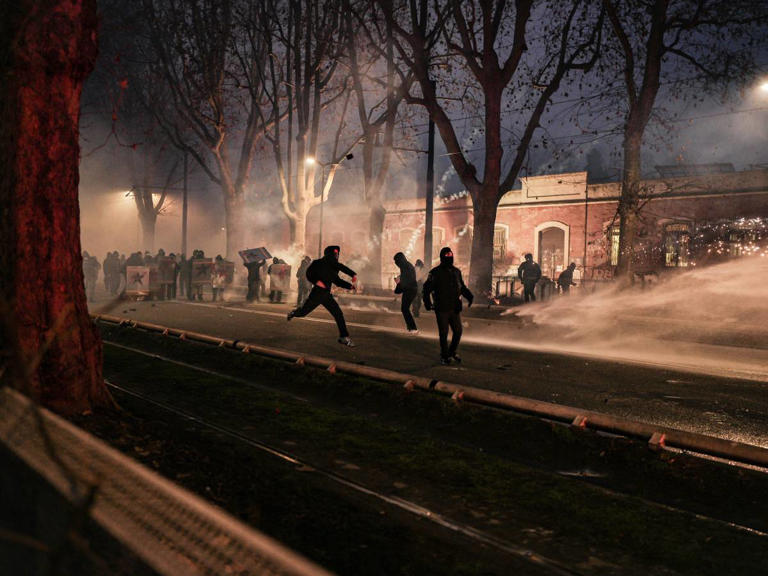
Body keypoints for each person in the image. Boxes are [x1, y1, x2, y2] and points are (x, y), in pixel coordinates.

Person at [287, 245, 357, 347]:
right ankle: (293, 313)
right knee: (302, 313)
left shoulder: (333, 267)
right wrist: (317, 281)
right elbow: (308, 273)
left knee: (338, 314)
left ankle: (343, 337)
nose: (337, 256)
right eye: (335, 254)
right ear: (331, 254)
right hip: (317, 294)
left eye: (337, 254)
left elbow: (337, 280)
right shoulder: (317, 263)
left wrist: (350, 285)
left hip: (326, 295)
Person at [422, 247, 473, 365]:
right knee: (443, 333)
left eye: (451, 255)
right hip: (441, 308)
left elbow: (462, 287)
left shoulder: (456, 272)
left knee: (458, 331)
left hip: (455, 307)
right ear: (442, 257)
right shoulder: (435, 272)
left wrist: (469, 296)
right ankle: (444, 356)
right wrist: (427, 303)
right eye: (447, 255)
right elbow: (426, 289)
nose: (450, 257)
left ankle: (451, 352)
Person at [393, 252, 418, 333]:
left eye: (396, 261)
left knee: (405, 309)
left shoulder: (405, 267)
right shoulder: (406, 265)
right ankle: (411, 327)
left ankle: (413, 328)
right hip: (411, 289)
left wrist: (398, 283)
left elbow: (406, 280)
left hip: (410, 290)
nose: (396, 263)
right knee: (405, 309)